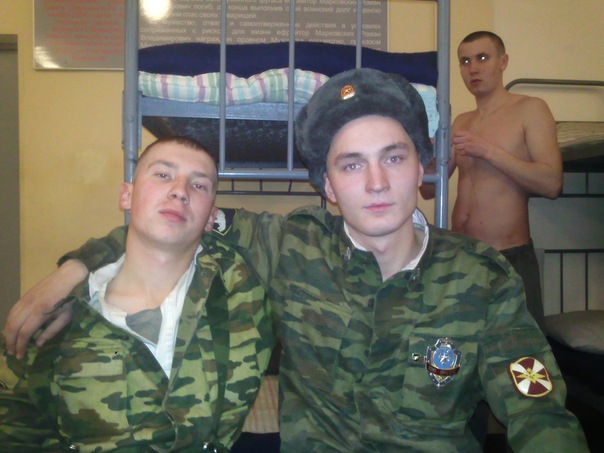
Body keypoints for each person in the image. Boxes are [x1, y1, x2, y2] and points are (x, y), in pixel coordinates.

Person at [4, 69, 587, 452]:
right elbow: (172, 220)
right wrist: (75, 271)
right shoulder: (290, 246)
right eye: (351, 165)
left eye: (393, 157)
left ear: (423, 168)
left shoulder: (483, 278)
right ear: (327, 186)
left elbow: (539, 415)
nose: (377, 182)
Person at [0, 137, 274, 452]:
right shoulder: (54, 314)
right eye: (163, 175)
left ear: (211, 215)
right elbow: (15, 428)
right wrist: (74, 270)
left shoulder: (242, 289)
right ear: (126, 195)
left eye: (199, 185)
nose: (180, 191)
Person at [421, 31, 563, 330]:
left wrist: (488, 151)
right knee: (460, 348)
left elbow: (552, 183)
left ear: (503, 62)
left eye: (482, 58)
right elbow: (429, 189)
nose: (473, 68)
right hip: (461, 256)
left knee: (519, 350)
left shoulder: (531, 109)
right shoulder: (461, 121)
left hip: (507, 257)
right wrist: (427, 159)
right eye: (465, 61)